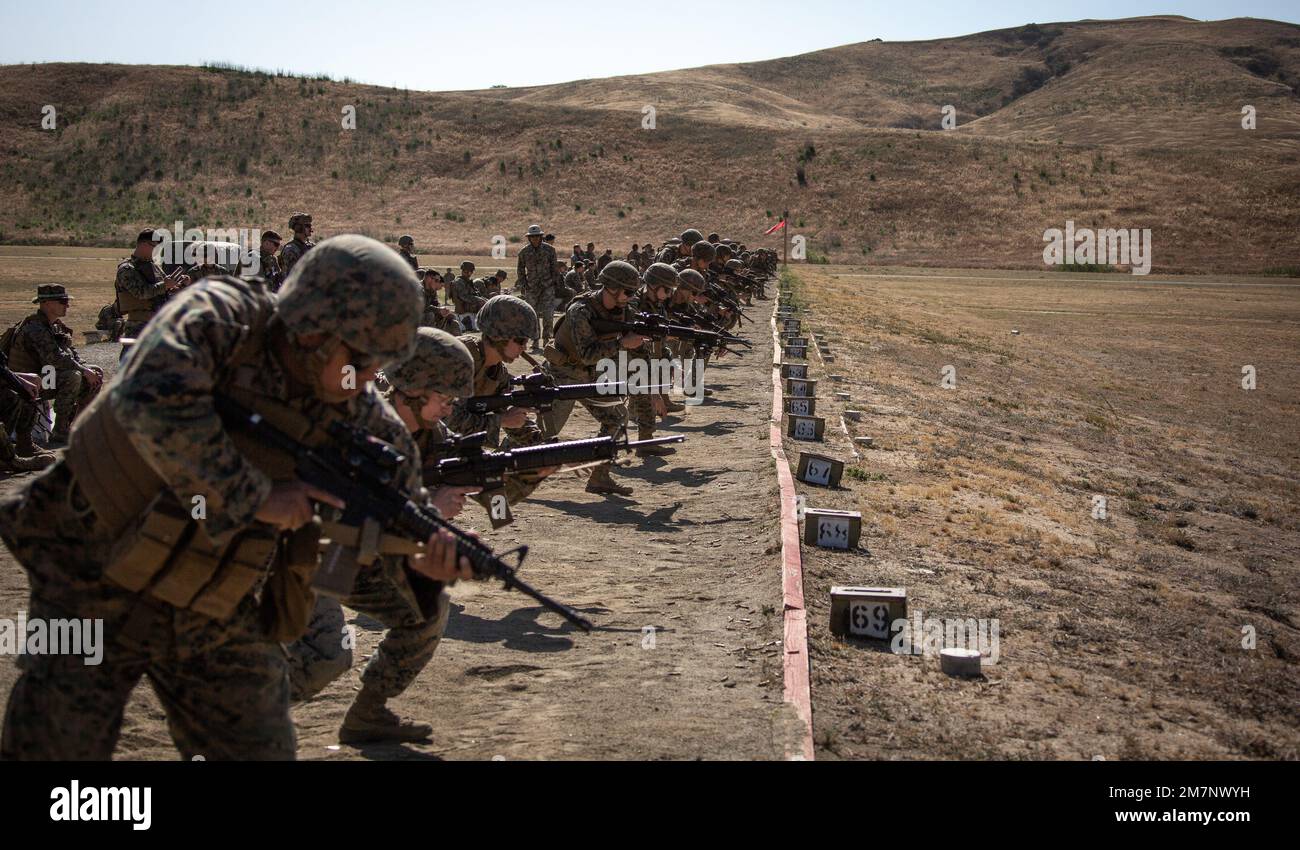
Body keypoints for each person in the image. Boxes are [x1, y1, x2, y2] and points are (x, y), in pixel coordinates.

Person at [0, 234, 470, 761]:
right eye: (360, 358)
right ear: (313, 329)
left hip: (209, 588)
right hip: (91, 564)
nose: (365, 380)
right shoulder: (220, 317)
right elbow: (149, 401)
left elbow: (398, 495)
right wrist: (257, 496)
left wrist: (427, 548)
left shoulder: (354, 405)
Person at [286, 327, 480, 743]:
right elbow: (339, 512)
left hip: (350, 557)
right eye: (444, 399)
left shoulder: (429, 437)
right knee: (326, 656)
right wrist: (432, 512)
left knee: (425, 608)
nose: (449, 409)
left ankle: (368, 715)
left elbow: (482, 482)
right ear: (412, 389)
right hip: (300, 550)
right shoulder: (355, 422)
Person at [538, 261, 646, 496]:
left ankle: (599, 477)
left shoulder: (623, 311)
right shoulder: (581, 310)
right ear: (612, 288)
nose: (630, 297)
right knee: (541, 434)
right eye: (627, 291)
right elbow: (587, 354)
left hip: (589, 377)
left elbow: (634, 339)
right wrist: (621, 344)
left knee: (617, 418)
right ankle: (493, 470)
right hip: (563, 375)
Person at [4, 284, 103, 447]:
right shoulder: (34, 328)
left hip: (46, 376)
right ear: (47, 303)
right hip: (27, 381)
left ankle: (77, 427)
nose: (67, 305)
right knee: (73, 376)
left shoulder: (56, 326)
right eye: (63, 301)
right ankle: (60, 433)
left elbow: (71, 354)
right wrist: (83, 370)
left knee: (94, 372)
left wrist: (88, 369)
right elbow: (56, 359)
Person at [114, 228, 189, 338]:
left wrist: (180, 285)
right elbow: (141, 293)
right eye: (155, 247)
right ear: (143, 244)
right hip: (138, 327)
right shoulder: (127, 269)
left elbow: (165, 291)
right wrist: (165, 285)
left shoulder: (153, 267)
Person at [516, 224, 559, 354]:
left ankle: (547, 340)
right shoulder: (524, 252)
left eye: (537, 236)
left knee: (548, 314)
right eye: (532, 236)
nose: (534, 239)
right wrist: (524, 284)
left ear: (541, 237)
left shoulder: (550, 250)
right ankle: (535, 340)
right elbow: (520, 269)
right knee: (532, 315)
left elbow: (554, 268)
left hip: (547, 287)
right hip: (532, 287)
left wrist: (552, 282)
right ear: (529, 238)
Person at [449, 261, 487, 330]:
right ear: (464, 271)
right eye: (469, 271)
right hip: (463, 305)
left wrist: (483, 299)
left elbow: (475, 293)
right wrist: (478, 299)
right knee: (482, 303)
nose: (470, 273)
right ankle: (483, 324)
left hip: (468, 304)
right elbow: (463, 296)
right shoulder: (459, 281)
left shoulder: (467, 281)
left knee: (487, 302)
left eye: (471, 271)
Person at [279, 212, 315, 277]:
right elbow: (291, 276)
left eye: (310, 225)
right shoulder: (290, 250)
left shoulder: (312, 247)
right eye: (307, 226)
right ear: (299, 228)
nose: (310, 228)